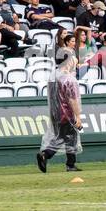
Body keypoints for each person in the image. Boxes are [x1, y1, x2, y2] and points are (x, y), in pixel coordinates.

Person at [36, 43, 83, 173]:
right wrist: (77, 116)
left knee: (62, 136)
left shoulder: (53, 75)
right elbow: (72, 99)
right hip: (66, 113)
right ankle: (49, 156)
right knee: (69, 137)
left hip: (55, 112)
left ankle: (66, 162)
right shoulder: (69, 79)